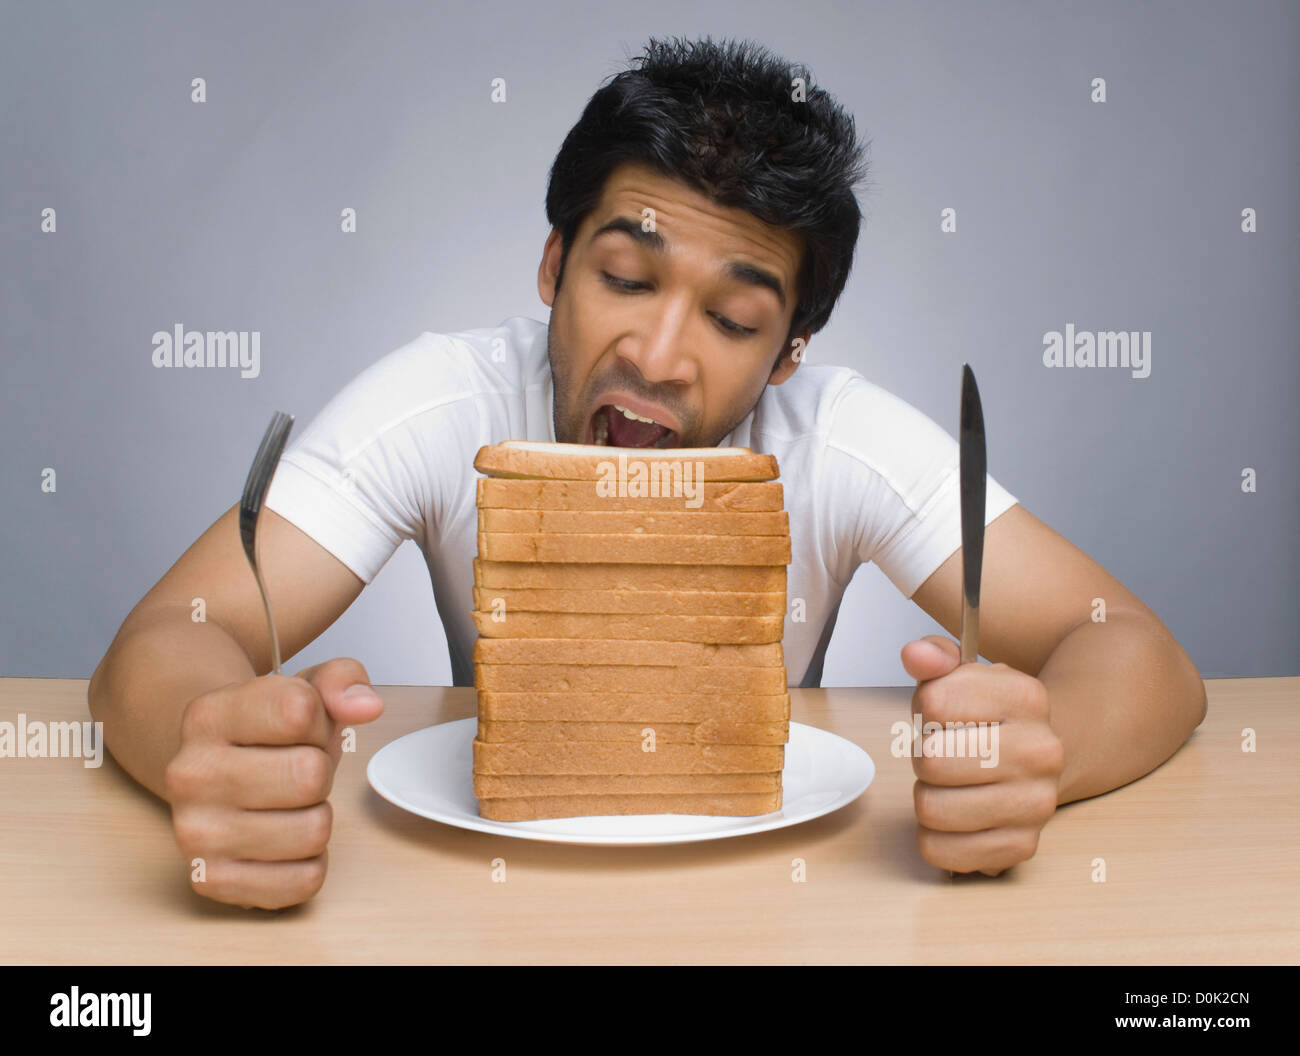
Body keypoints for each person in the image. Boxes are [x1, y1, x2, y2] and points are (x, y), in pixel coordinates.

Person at [89, 36, 1206, 910]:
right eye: (624, 277)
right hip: (496, 889)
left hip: (769, 902)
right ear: (552, 262)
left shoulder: (837, 440)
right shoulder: (441, 407)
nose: (658, 358)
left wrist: (1031, 760)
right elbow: (163, 641)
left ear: (788, 354)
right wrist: (217, 741)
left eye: (730, 318)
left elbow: (1137, 651)